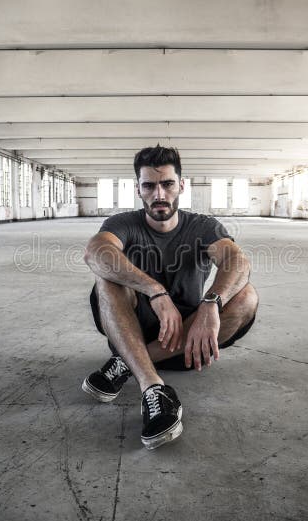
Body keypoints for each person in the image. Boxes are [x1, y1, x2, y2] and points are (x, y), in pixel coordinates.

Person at [82, 145, 258, 450]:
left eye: (167, 184)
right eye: (149, 186)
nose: (159, 195)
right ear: (138, 189)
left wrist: (211, 302)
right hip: (130, 331)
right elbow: (96, 253)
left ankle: (125, 364)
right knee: (106, 277)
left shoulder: (202, 227)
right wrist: (155, 291)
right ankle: (153, 387)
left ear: (182, 186)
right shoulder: (123, 224)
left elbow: (237, 261)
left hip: (190, 343)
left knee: (247, 296)